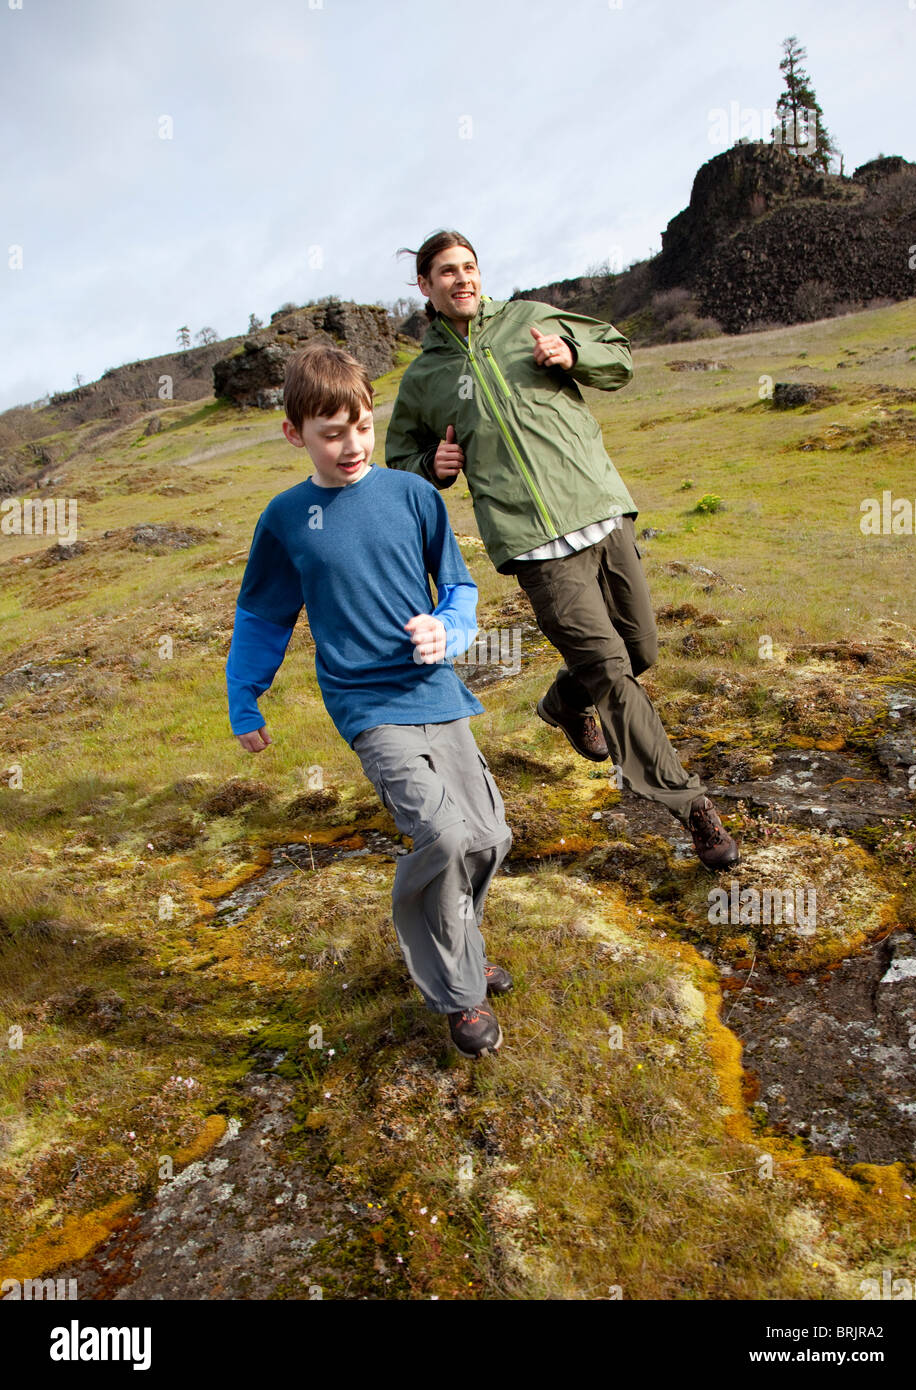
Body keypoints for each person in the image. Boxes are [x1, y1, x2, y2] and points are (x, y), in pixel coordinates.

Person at [386, 230, 739, 870]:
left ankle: (561, 703)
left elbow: (620, 356)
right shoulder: (425, 378)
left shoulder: (531, 319)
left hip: (600, 512)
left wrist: (571, 352)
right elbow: (399, 459)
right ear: (425, 286)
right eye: (445, 272)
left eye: (469, 267)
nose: (461, 279)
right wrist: (431, 466)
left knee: (640, 651)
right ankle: (693, 810)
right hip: (534, 545)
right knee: (611, 670)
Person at [225, 343, 513, 1058]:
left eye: (360, 426)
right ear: (295, 434)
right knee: (441, 836)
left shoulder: (414, 496)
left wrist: (447, 630)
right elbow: (262, 616)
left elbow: (460, 588)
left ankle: (461, 948)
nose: (350, 445)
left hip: (437, 691)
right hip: (366, 705)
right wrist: (245, 698)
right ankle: (459, 995)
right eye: (330, 433)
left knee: (488, 837)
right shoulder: (287, 519)